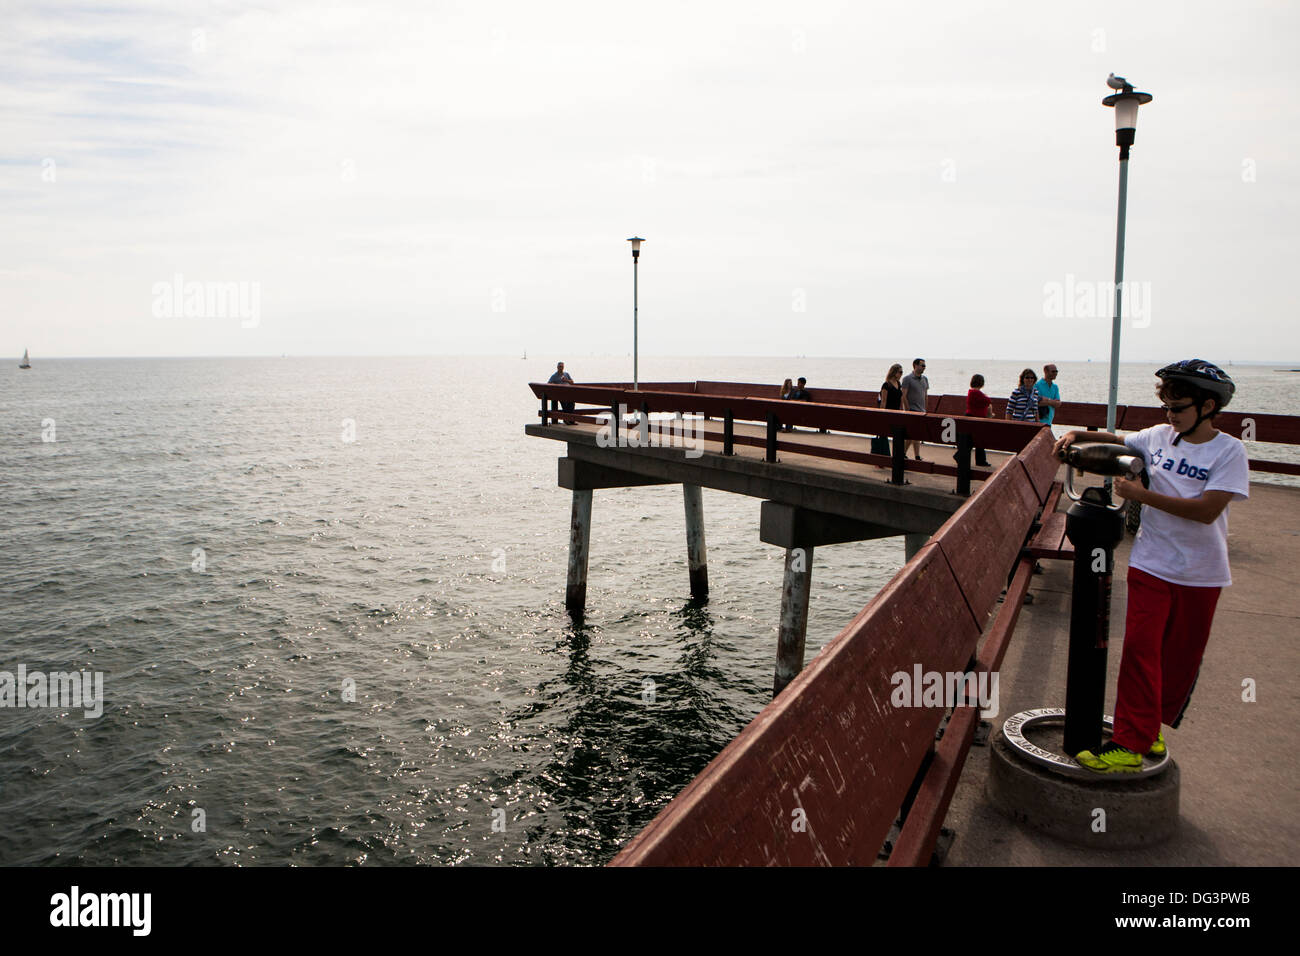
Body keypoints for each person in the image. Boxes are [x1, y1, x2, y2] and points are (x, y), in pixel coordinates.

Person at [1053, 359, 1248, 773]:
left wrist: (1141, 495)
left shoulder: (1229, 451)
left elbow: (1207, 511)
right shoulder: (1159, 436)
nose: (1170, 416)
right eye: (1166, 408)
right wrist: (1076, 433)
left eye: (1178, 409)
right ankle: (1130, 744)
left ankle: (1149, 728)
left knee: (1177, 661)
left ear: (1208, 406)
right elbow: (1118, 436)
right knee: (1141, 651)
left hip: (1201, 572)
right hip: (1152, 564)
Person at [899, 359, 929, 460]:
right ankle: (904, 453)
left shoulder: (925, 379)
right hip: (912, 410)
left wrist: (926, 409)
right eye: (922, 365)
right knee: (912, 434)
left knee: (917, 434)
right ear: (915, 366)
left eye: (924, 365)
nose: (924, 367)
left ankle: (916, 455)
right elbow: (903, 395)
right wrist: (907, 409)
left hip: (921, 410)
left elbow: (925, 395)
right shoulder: (907, 379)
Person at [873, 363, 903, 458]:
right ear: (894, 373)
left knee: (898, 435)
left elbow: (900, 400)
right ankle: (882, 456)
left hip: (897, 413)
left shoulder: (899, 384)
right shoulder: (886, 385)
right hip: (888, 413)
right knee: (883, 435)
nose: (901, 374)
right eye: (900, 372)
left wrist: (902, 411)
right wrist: (882, 415)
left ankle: (896, 456)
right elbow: (883, 402)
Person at [964, 373, 993, 467]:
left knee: (971, 441)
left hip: (971, 417)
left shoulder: (971, 392)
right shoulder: (976, 393)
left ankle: (962, 456)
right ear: (981, 383)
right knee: (979, 440)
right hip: (976, 419)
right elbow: (988, 400)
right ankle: (981, 461)